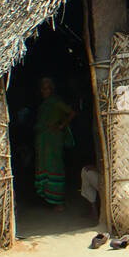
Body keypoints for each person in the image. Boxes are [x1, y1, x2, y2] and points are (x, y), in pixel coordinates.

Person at [34, 77, 75, 208]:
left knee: (55, 166)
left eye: (47, 88)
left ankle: (58, 202)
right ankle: (48, 198)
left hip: (53, 140)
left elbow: (72, 113)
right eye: (43, 88)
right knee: (44, 166)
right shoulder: (43, 104)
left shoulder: (56, 102)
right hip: (43, 141)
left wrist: (62, 126)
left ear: (52, 89)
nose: (45, 90)